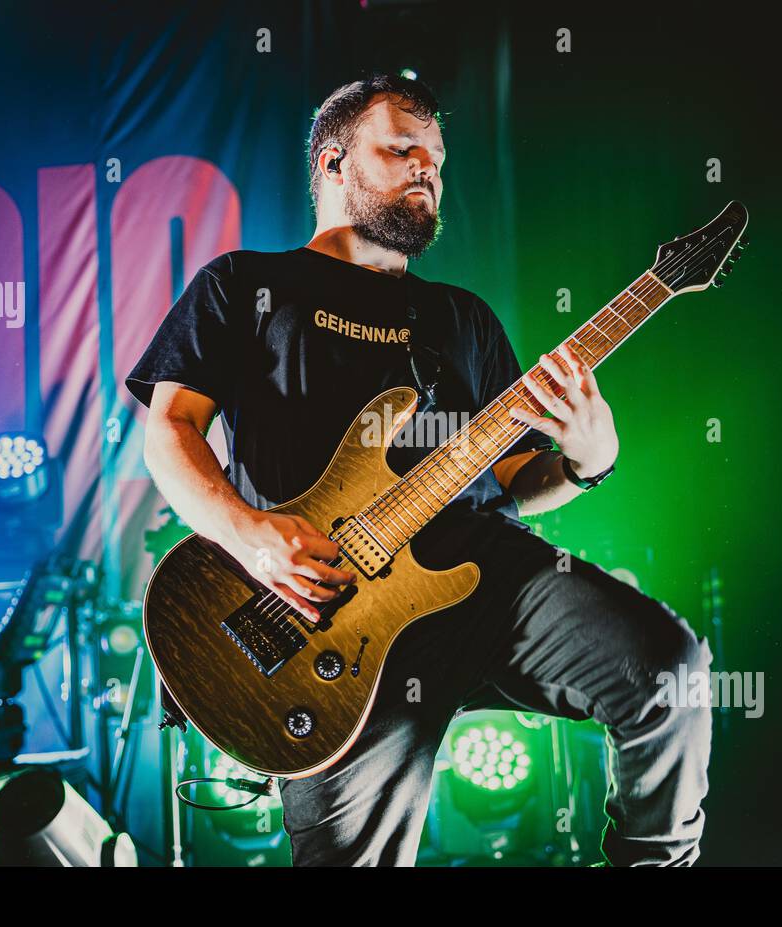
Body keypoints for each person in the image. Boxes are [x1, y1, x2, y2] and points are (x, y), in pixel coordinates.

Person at [126, 73, 712, 866]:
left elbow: (514, 483)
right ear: (333, 164)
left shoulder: (459, 318)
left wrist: (587, 458)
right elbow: (171, 432)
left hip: (480, 579)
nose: (425, 168)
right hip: (322, 614)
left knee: (668, 671)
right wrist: (254, 540)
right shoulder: (247, 285)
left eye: (435, 156)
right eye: (401, 148)